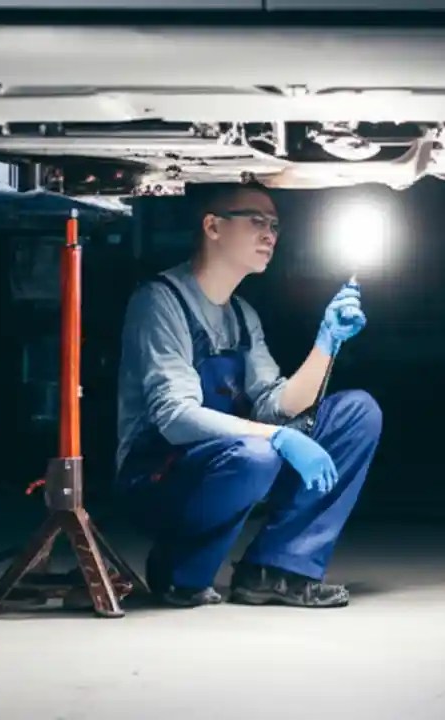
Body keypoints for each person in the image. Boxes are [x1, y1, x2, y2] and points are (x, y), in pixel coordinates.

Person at [114, 182, 381, 609]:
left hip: (236, 462)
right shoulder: (159, 302)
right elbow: (175, 416)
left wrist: (326, 342)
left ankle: (277, 570)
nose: (269, 234)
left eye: (274, 225)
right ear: (213, 226)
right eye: (256, 221)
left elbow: (277, 406)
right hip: (158, 477)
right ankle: (179, 570)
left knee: (356, 412)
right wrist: (275, 438)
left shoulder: (242, 315)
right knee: (258, 453)